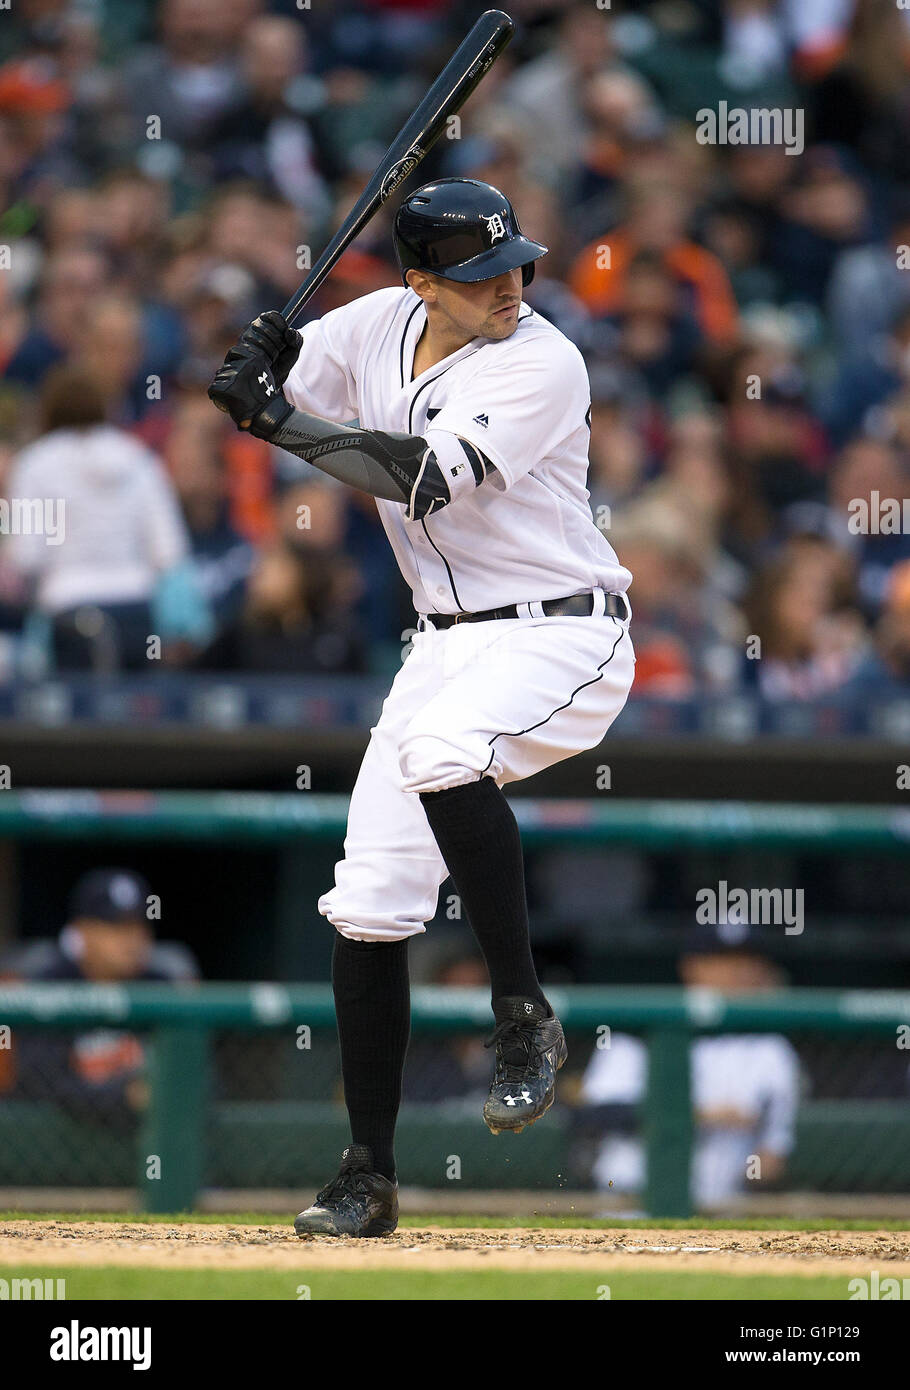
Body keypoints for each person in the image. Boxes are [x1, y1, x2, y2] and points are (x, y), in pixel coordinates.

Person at [208, 176, 635, 1238]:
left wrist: (280, 421)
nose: (512, 285)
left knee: (445, 750)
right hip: (442, 641)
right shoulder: (381, 322)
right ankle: (366, 1173)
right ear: (419, 282)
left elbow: (421, 481)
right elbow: (287, 366)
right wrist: (257, 359)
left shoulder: (543, 357)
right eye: (482, 273)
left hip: (561, 627)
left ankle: (522, 1016)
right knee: (368, 900)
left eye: (517, 263)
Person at [578, 920, 800, 1210]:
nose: (738, 973)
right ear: (691, 967)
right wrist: (699, 1115)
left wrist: (762, 1165)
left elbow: (773, 1152)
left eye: (748, 961)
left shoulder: (772, 1049)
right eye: (722, 961)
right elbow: (597, 1115)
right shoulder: (640, 1030)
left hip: (723, 1210)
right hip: (627, 1202)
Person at [7, 868, 198, 1123]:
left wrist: (161, 1093)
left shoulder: (161, 986)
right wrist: (122, 1097)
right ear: (83, 931)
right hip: (61, 1150)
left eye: (138, 926)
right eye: (115, 927)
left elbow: (204, 1079)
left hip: (147, 1149)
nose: (131, 940)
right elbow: (38, 1084)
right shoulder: (50, 985)